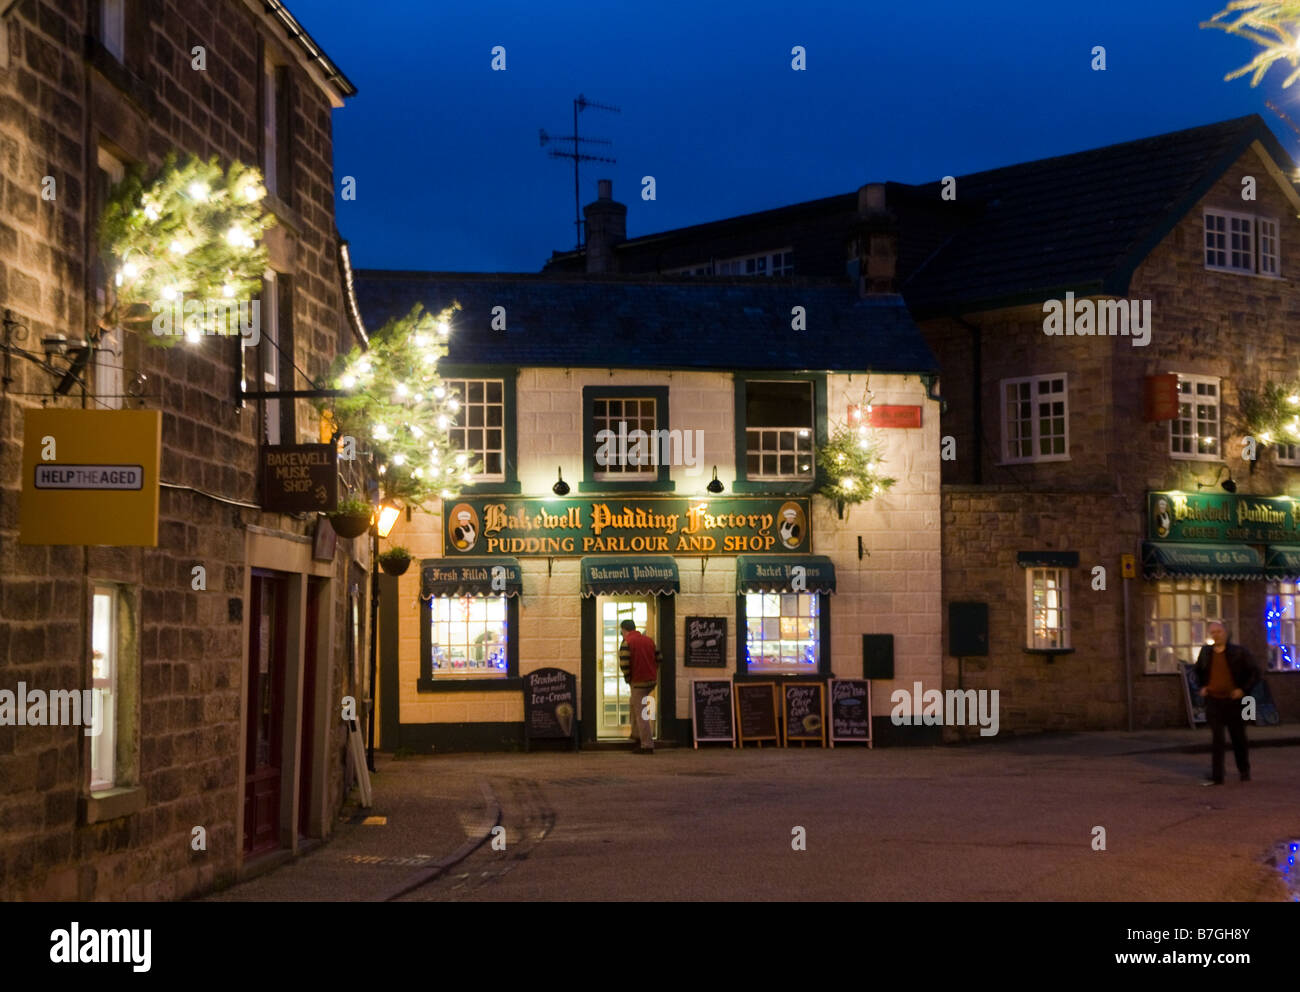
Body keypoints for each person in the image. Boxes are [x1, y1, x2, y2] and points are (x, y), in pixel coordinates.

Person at [1193, 621, 1262, 785]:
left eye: (1219, 632)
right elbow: (1198, 671)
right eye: (1213, 632)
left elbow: (1255, 672)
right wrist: (1202, 686)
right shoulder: (1206, 652)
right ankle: (1218, 775)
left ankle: (1243, 770)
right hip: (1214, 700)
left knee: (1238, 737)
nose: (1216, 635)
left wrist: (1243, 690)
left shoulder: (1239, 652)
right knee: (1217, 738)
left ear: (1226, 633)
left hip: (1234, 701)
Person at [618, 619, 660, 753]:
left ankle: (647, 745)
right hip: (651, 680)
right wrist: (652, 671)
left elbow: (624, 664)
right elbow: (659, 658)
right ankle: (636, 735)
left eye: (621, 631)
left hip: (638, 682)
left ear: (624, 630)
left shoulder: (627, 642)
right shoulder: (649, 640)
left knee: (642, 714)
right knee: (634, 705)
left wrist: (628, 678)